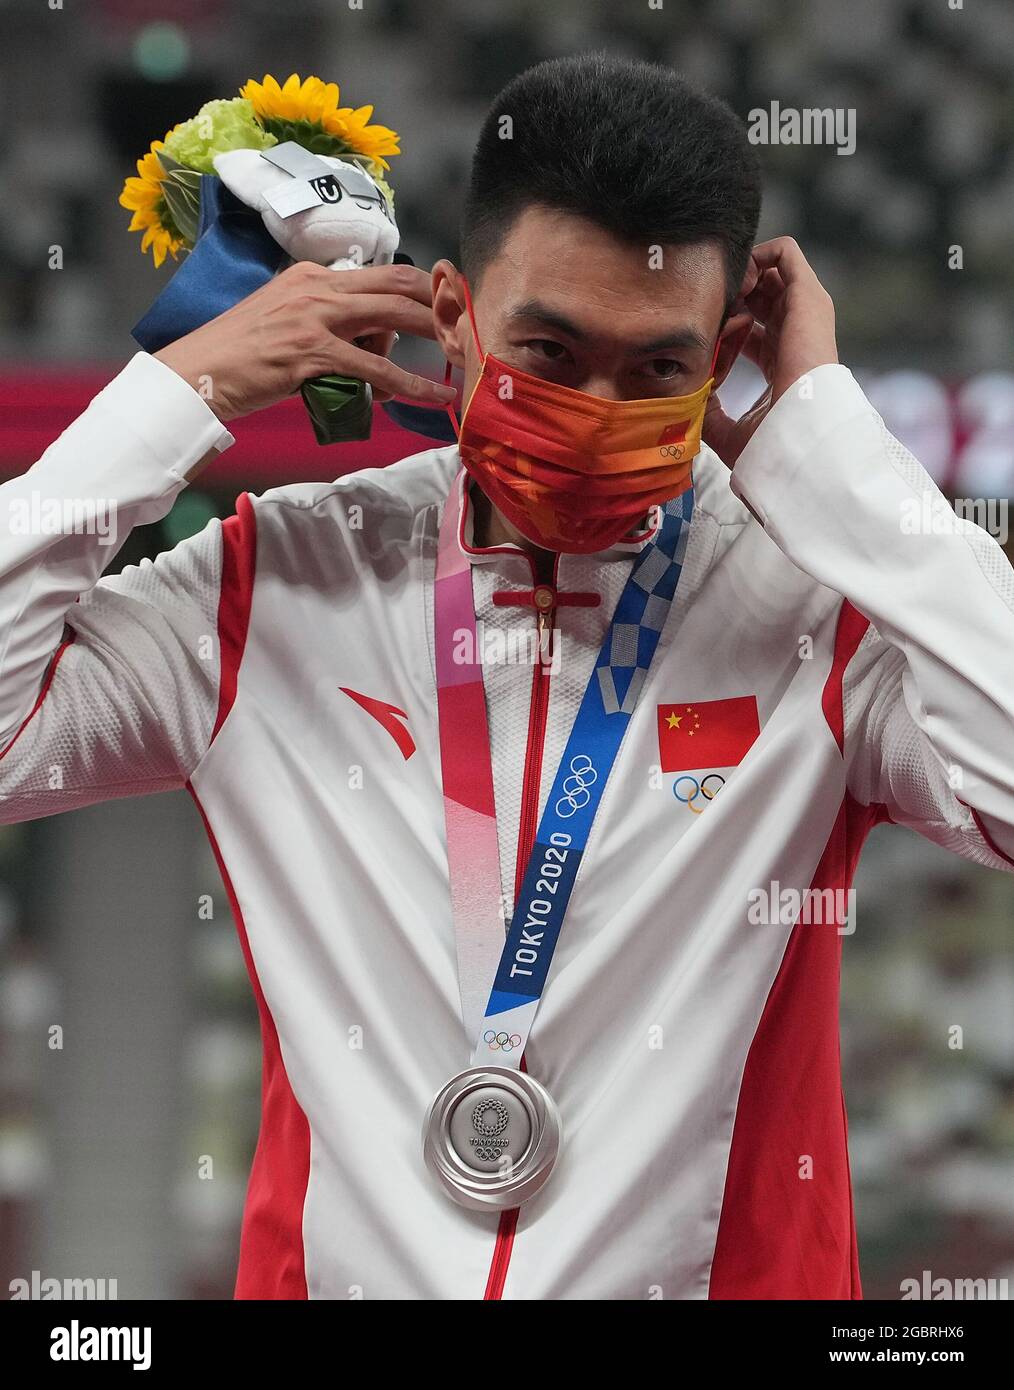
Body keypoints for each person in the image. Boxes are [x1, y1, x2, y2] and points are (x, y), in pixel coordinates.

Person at [2, 52, 1013, 1302]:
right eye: (549, 350)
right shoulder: (278, 583)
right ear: (449, 313)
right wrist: (172, 399)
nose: (594, 413)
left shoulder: (813, 608)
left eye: (656, 369)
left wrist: (836, 463)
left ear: (728, 357)